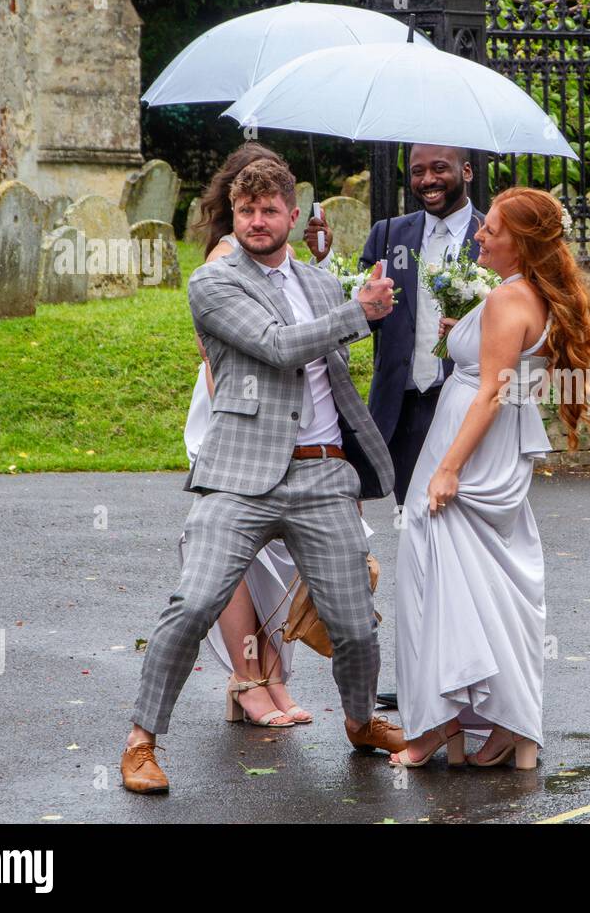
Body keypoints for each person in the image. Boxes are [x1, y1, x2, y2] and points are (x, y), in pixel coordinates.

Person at [121, 158, 402, 794]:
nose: (256, 221)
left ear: (292, 216)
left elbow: (336, 362)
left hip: (324, 474)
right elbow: (277, 345)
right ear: (234, 215)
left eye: (268, 209)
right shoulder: (212, 283)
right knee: (192, 603)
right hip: (240, 475)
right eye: (245, 211)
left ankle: (361, 722)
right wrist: (357, 310)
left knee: (355, 622)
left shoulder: (322, 284)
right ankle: (140, 743)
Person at [389, 187, 590, 770]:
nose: (479, 234)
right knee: (491, 584)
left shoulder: (510, 301)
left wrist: (448, 469)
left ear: (522, 242)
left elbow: (489, 389)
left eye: (492, 229)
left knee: (433, 571)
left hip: (471, 444)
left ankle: (441, 722)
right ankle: (511, 728)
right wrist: (472, 328)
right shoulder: (526, 296)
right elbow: (510, 373)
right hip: (499, 444)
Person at [184, 143, 313, 729]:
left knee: (277, 560)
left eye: (274, 199)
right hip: (234, 418)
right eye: (252, 200)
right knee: (237, 561)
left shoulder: (281, 256)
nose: (261, 215)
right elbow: (216, 357)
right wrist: (223, 426)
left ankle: (271, 677)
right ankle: (249, 679)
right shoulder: (224, 257)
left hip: (286, 418)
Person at [306, 143, 484, 509]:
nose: (428, 180)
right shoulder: (388, 234)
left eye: (439, 168)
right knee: (411, 517)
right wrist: (323, 262)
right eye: (418, 171)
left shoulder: (491, 236)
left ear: (466, 172)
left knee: (464, 521)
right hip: (401, 407)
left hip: (466, 404)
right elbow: (354, 314)